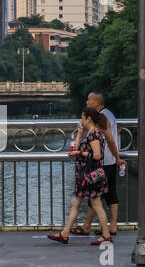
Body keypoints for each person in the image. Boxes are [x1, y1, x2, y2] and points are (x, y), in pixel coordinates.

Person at [47, 107, 113, 245]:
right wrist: (79, 135)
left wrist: (80, 154)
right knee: (75, 203)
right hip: (85, 176)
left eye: (82, 117)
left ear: (88, 118)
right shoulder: (89, 133)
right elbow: (78, 149)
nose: (81, 120)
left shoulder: (94, 134)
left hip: (90, 176)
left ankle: (106, 235)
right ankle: (64, 234)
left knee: (97, 205)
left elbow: (97, 155)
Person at [71, 92, 121, 240]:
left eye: (89, 101)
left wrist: (117, 157)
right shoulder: (108, 115)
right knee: (108, 192)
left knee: (94, 193)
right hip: (108, 161)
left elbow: (110, 140)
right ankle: (111, 226)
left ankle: (91, 226)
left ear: (98, 105)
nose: (87, 103)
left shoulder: (101, 117)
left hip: (102, 162)